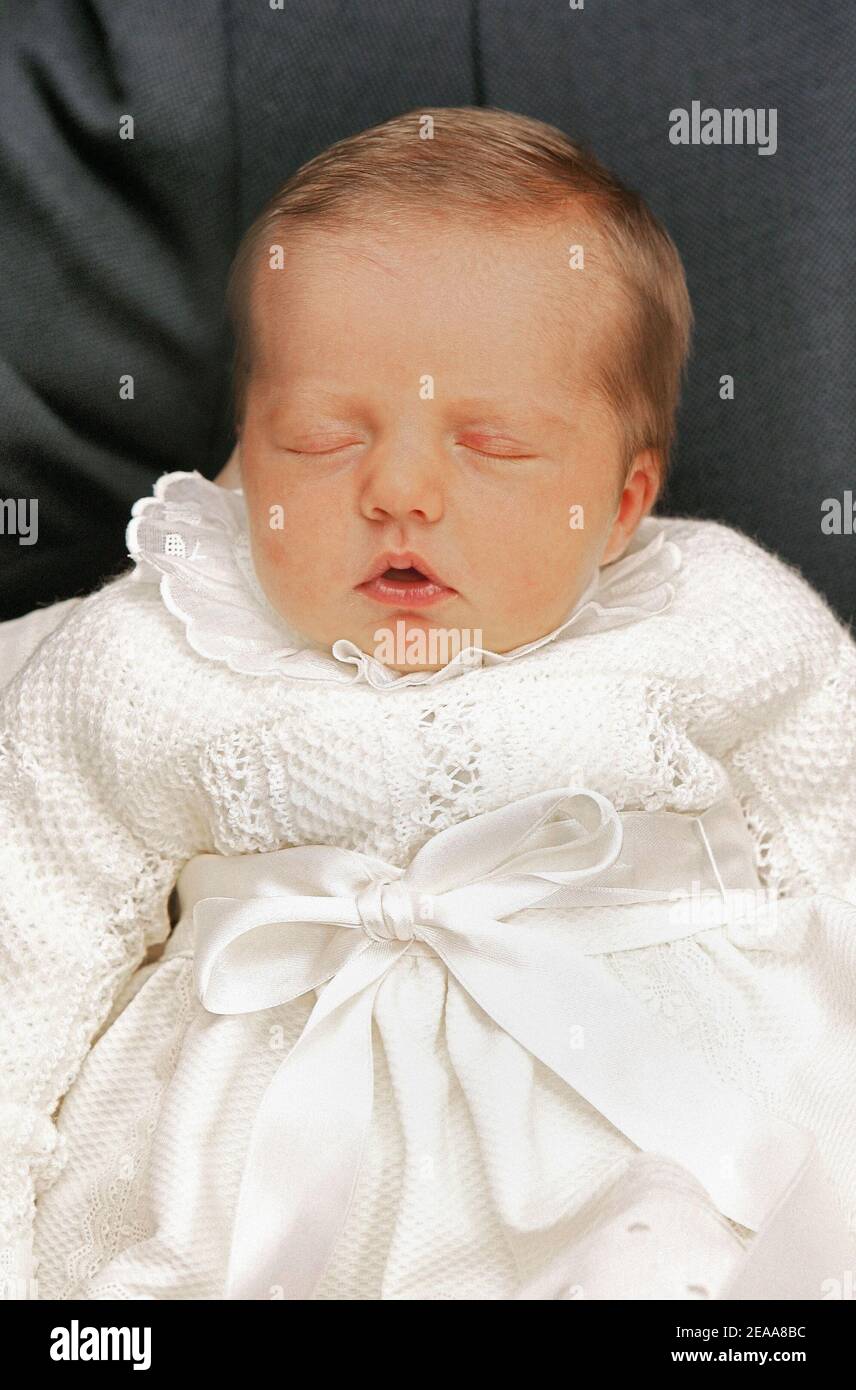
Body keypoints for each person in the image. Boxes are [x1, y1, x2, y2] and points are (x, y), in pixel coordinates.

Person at [1, 107, 855, 1302]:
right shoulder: (146, 663)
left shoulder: (713, 621)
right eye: (317, 438)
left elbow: (836, 855)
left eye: (494, 445)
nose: (397, 489)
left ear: (619, 506)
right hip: (242, 1178)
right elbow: (24, 960)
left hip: (638, 1120)